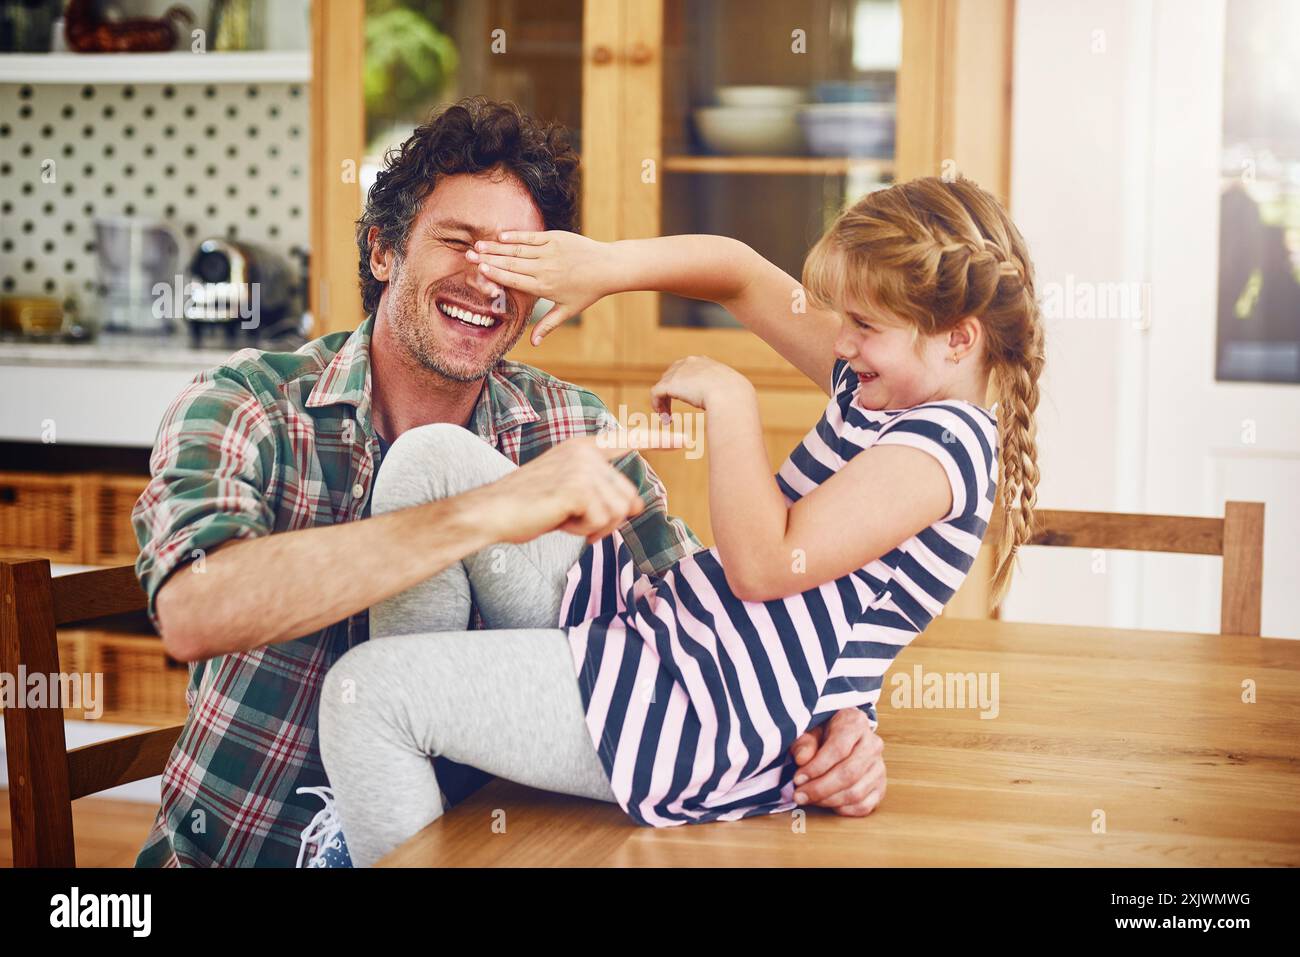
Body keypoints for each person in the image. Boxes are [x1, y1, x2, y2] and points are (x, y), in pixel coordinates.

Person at [131, 98, 887, 868]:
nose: (486, 280)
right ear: (384, 250)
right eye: (458, 242)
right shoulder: (249, 403)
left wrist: (841, 722)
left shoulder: (568, 425)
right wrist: (486, 511)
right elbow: (193, 609)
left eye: (518, 258)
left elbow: (700, 626)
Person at [312, 174, 1046, 866]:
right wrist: (605, 265)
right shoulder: (886, 384)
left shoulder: (939, 448)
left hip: (695, 707)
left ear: (959, 337)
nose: (842, 342)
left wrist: (732, 402)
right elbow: (738, 272)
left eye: (863, 323)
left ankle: (396, 770)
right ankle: (430, 777)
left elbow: (764, 566)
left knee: (367, 694)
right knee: (431, 459)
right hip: (663, 629)